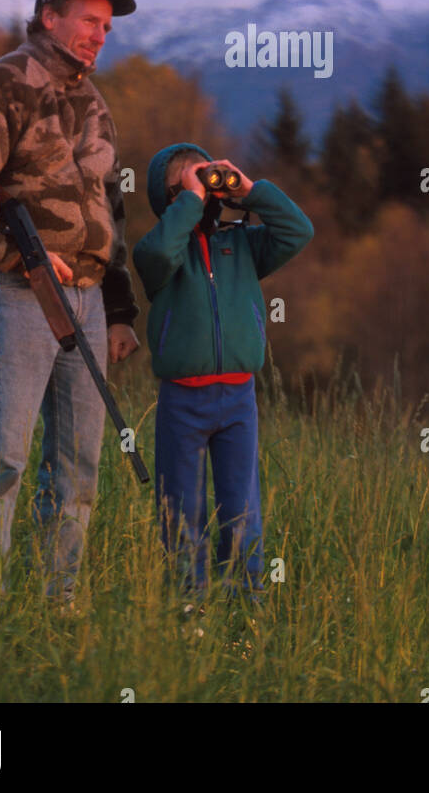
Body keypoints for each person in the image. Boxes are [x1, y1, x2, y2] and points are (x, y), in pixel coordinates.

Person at [0, 0, 140, 604]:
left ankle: (58, 607)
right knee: (4, 459)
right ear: (50, 16)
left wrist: (121, 309)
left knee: (78, 468)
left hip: (93, 301)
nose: (99, 35)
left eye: (106, 26)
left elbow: (112, 212)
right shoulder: (0, 86)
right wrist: (11, 253)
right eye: (88, 21)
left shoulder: (94, 102)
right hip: (23, 297)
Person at [132, 143, 313, 598]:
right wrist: (189, 201)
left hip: (238, 399)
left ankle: (245, 607)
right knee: (181, 510)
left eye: (206, 180)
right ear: (171, 198)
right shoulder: (162, 252)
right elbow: (154, 258)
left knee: (242, 509)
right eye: (188, 183)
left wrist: (251, 192)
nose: (204, 190)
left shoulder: (242, 245)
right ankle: (188, 608)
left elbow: (298, 230)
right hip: (182, 401)